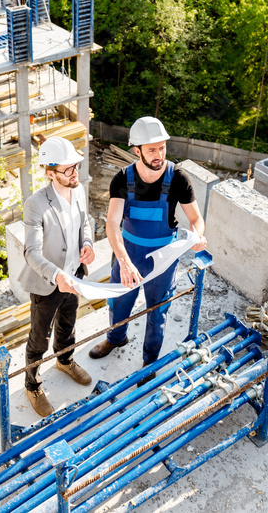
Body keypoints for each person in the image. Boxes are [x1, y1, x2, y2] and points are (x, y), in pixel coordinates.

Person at [90, 117, 207, 369]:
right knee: (119, 302)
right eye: (152, 149)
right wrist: (123, 262)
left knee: (157, 313)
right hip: (129, 253)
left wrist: (198, 236)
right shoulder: (122, 179)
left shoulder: (178, 178)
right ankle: (115, 339)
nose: (159, 155)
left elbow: (196, 219)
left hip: (164, 258)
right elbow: (112, 224)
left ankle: (149, 362)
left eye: (162, 147)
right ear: (137, 150)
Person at [17, 137, 96, 417]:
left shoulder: (79, 190)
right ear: (50, 173)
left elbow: (85, 222)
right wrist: (56, 274)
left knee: (68, 324)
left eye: (76, 166)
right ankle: (33, 384)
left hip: (74, 276)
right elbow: (31, 252)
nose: (75, 174)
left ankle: (65, 360)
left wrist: (88, 244)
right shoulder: (36, 204)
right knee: (39, 338)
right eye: (68, 170)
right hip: (47, 284)